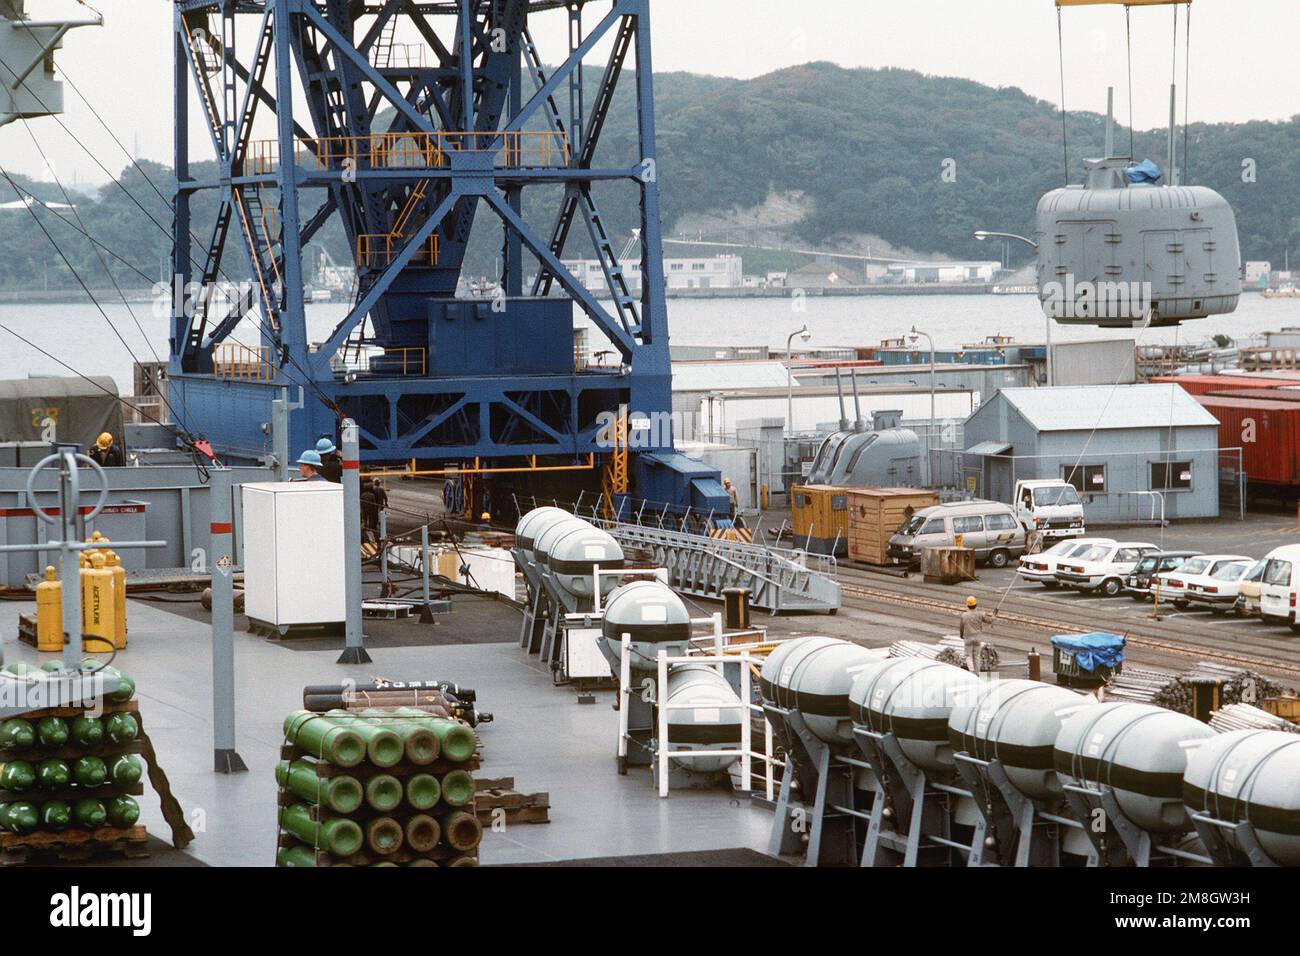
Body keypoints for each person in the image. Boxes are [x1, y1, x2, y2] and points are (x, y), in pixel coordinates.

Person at [958, 595, 995, 674]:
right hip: (978, 638)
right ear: (976, 605)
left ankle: (971, 671)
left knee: (968, 656)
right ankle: (977, 673)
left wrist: (961, 635)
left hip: (968, 638)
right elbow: (990, 620)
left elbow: (961, 627)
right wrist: (994, 615)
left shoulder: (964, 615)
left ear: (967, 605)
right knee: (976, 657)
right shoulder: (980, 614)